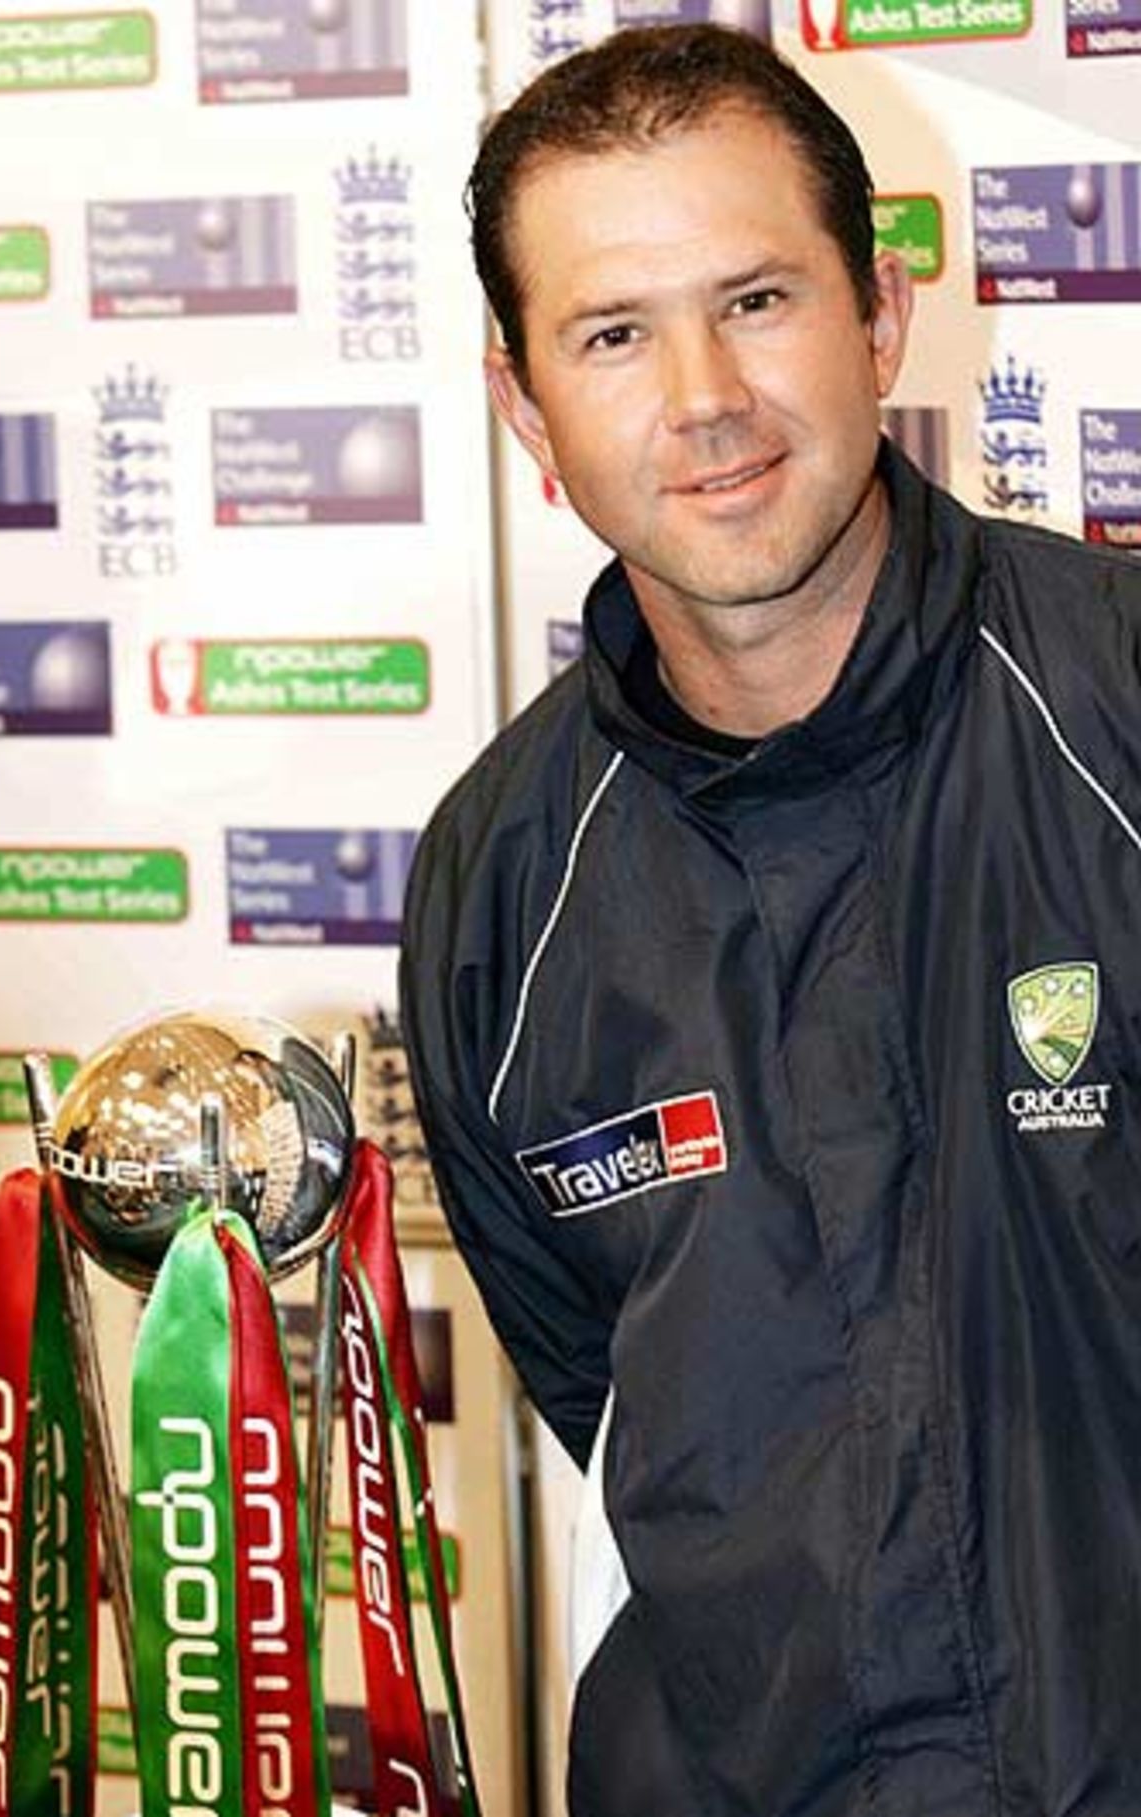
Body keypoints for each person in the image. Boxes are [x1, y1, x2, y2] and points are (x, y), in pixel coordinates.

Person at [400, 25, 1141, 1817]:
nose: (704, 396)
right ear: (525, 408)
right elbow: (607, 1408)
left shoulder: (1117, 705)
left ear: (881, 317)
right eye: (613, 333)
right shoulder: (497, 885)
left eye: (756, 298)